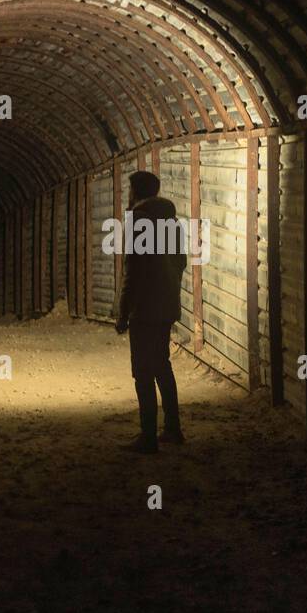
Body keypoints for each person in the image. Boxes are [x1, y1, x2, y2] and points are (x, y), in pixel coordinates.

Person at [115, 170, 186, 453]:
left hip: (144, 308)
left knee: (142, 371)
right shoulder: (173, 222)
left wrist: (123, 311)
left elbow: (134, 270)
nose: (128, 194)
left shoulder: (138, 221)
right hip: (167, 304)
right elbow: (180, 262)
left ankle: (148, 436)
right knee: (162, 365)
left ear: (137, 191)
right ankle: (172, 429)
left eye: (130, 189)